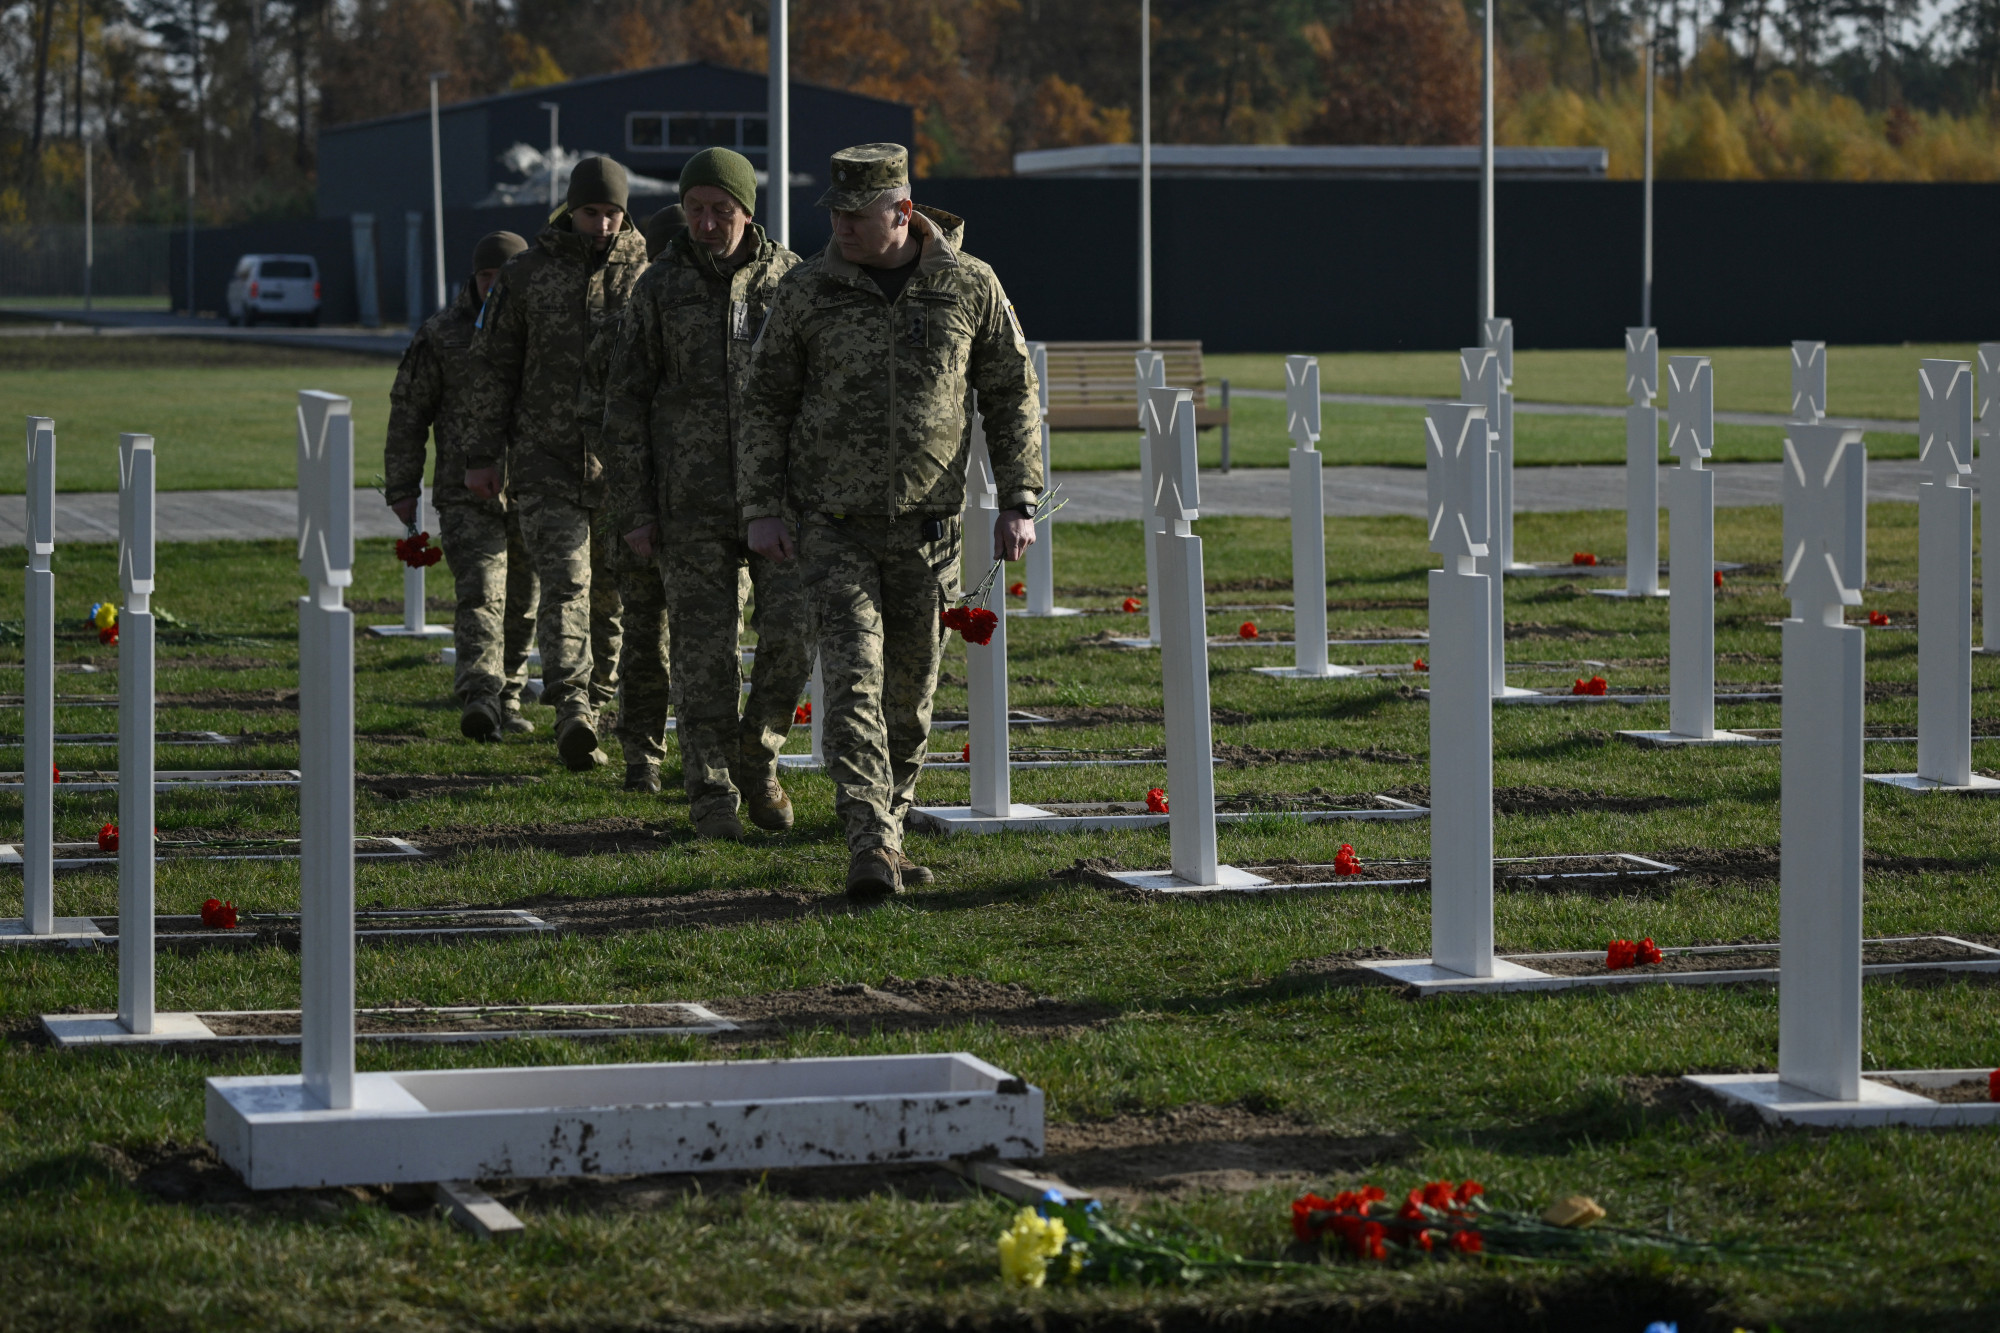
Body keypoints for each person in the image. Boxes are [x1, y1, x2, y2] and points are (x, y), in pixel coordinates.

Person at [737, 143, 1042, 896]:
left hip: (926, 530)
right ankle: (869, 843)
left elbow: (1011, 391)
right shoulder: (807, 291)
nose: (840, 226)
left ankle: (890, 832)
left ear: (902, 212)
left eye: (855, 215)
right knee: (851, 685)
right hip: (831, 524)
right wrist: (760, 508)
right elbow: (765, 402)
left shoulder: (968, 286)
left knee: (909, 701)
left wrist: (1020, 498)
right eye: (833, 214)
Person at [605, 147, 809, 835]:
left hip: (777, 500)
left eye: (721, 210)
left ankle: (759, 756)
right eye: (695, 210)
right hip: (687, 502)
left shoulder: (791, 281)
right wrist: (633, 509)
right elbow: (626, 404)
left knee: (792, 631)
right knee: (702, 652)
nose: (707, 223)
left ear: (748, 211)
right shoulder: (658, 287)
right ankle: (712, 790)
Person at [465, 156, 654, 772]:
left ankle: (597, 707)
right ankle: (572, 706)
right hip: (544, 458)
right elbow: (492, 368)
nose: (601, 224)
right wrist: (480, 454)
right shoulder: (527, 275)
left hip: (620, 466)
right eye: (591, 211)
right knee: (566, 583)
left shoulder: (648, 275)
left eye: (612, 213)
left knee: (611, 596)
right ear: (571, 209)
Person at [383, 230, 540, 740]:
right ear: (472, 279)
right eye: (486, 277)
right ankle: (480, 694)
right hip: (465, 490)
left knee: (524, 599)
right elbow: (409, 412)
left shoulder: (542, 330)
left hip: (534, 488)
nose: (494, 288)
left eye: (504, 278)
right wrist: (402, 485)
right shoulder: (442, 333)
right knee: (481, 591)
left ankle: (510, 695)